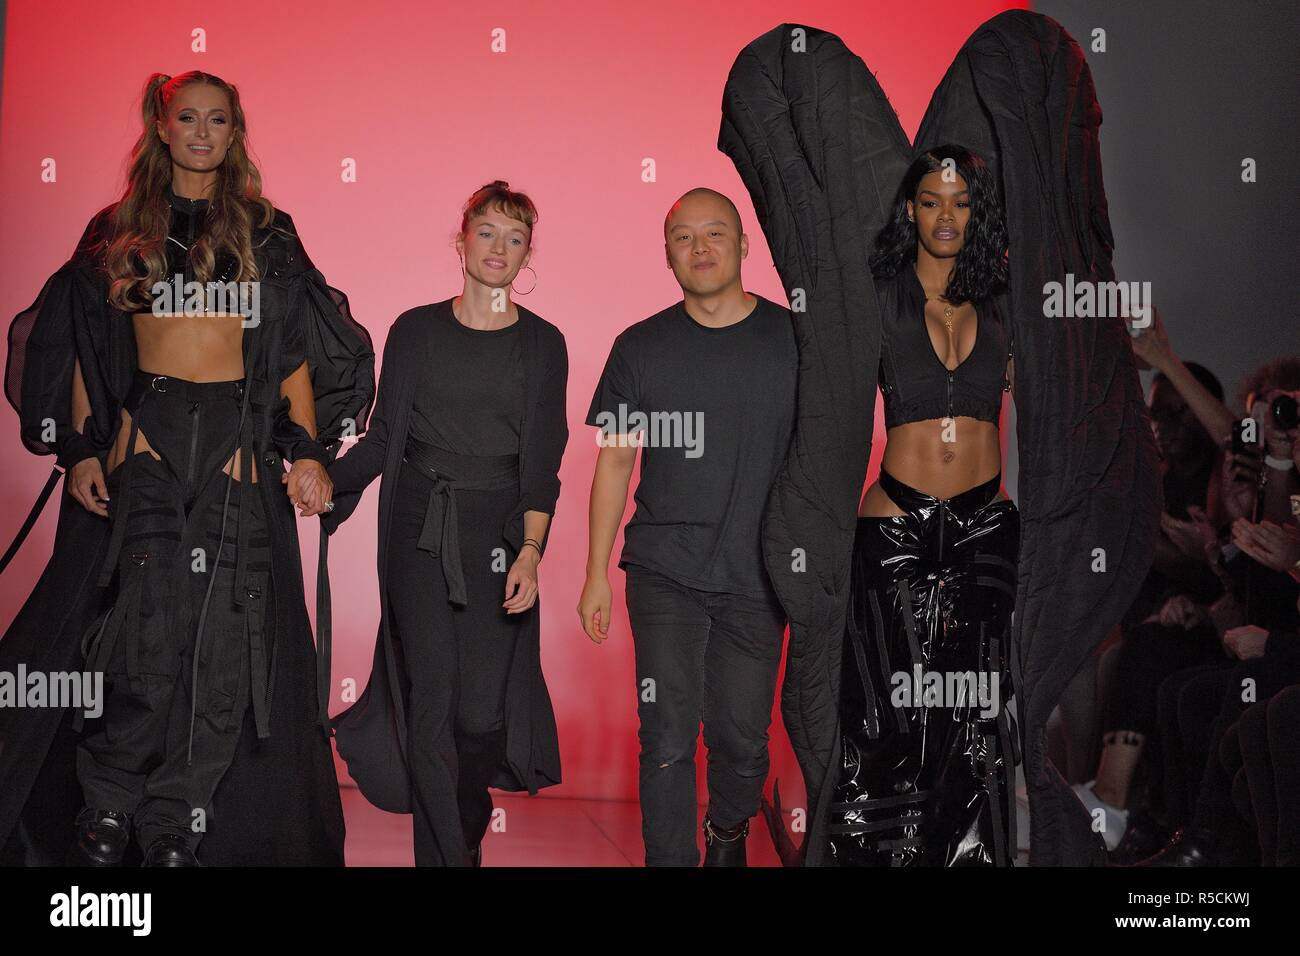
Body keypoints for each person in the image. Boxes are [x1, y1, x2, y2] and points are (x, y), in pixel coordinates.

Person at [717, 12, 1159, 866]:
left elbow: (1066, 353)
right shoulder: (873, 296)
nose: (947, 213)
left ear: (974, 209)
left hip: (987, 531)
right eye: (932, 199)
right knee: (884, 718)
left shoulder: (1003, 299)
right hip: (893, 529)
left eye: (961, 200)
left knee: (973, 723)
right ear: (911, 208)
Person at [0, 71, 374, 866]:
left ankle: (177, 817)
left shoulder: (267, 232)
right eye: (187, 118)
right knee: (142, 627)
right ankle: (107, 807)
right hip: (151, 437)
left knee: (224, 636)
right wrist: (80, 449)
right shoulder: (117, 230)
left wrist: (306, 450)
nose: (201, 131)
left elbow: (293, 355)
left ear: (235, 134)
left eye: (218, 120)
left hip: (237, 438)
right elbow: (85, 345)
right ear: (162, 127)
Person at [321, 181, 568, 867]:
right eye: (487, 232)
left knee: (478, 720)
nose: (499, 248)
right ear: (461, 240)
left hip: (496, 537)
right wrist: (320, 482)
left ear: (527, 256)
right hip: (419, 530)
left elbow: (543, 460)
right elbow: (380, 441)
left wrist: (529, 552)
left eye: (515, 238)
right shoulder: (415, 330)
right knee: (431, 706)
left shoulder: (544, 345)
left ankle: (464, 825)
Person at [579, 187, 797, 866]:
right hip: (663, 573)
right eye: (684, 238)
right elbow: (614, 465)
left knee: (742, 742)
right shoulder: (639, 347)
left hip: (758, 579)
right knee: (667, 735)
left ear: (743, 245)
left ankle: (728, 831)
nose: (700, 249)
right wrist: (595, 576)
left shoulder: (794, 340)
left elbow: (829, 453)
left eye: (715, 234)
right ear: (667, 254)